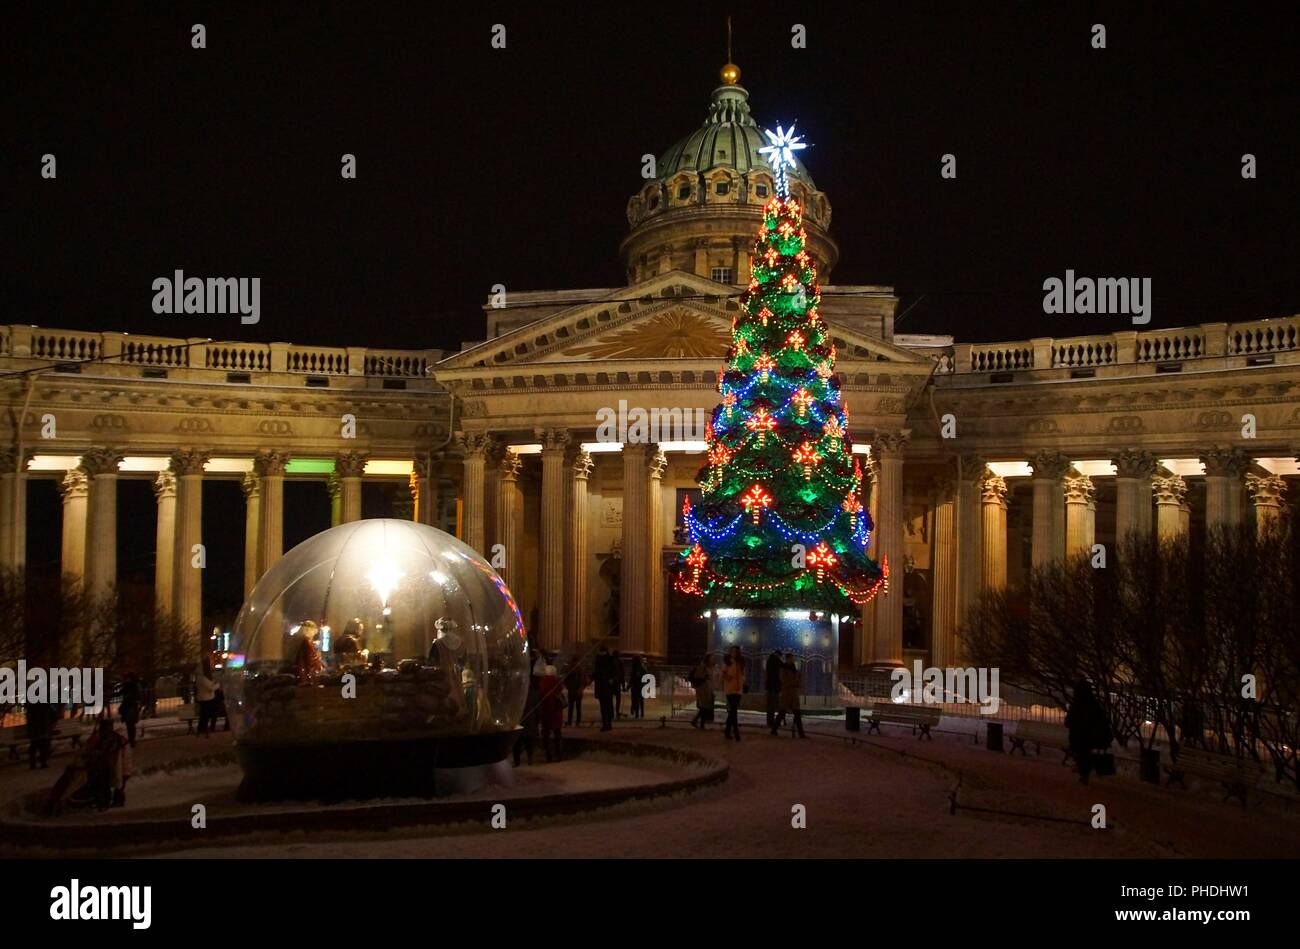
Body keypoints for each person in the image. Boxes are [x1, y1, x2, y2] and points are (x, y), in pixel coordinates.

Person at [1065, 679, 1113, 784]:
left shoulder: (1077, 704)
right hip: (1089, 735)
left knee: (1082, 753)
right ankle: (1085, 771)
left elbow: (1069, 721)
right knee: (1084, 753)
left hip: (1079, 735)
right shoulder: (1093, 703)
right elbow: (1100, 719)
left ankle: (1084, 772)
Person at [537, 664, 566, 762]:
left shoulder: (542, 683)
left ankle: (548, 756)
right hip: (556, 713)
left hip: (546, 713)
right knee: (557, 734)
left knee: (546, 736)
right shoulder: (557, 682)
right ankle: (559, 755)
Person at [776, 653, 807, 738]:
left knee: (797, 713)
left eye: (793, 658)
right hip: (787, 692)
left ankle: (801, 733)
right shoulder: (784, 668)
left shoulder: (793, 668)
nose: (793, 660)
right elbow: (783, 680)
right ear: (787, 659)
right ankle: (774, 729)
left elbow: (796, 678)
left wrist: (797, 681)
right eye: (791, 658)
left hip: (794, 692)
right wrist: (793, 681)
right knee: (782, 711)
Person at [593, 644, 617, 731]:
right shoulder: (603, 660)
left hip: (604, 687)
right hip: (604, 687)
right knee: (606, 706)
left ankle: (606, 724)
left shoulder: (603, 660)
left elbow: (614, 673)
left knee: (605, 707)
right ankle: (606, 724)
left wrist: (612, 679)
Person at [25, 700, 56, 769]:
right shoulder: (45, 703)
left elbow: (28, 716)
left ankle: (33, 764)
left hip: (35, 729)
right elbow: (53, 714)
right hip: (43, 728)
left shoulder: (31, 704)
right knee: (42, 746)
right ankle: (43, 763)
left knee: (34, 746)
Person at [722, 652, 744, 741]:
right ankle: (736, 732)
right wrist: (729, 678)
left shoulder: (740, 663)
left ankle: (727, 731)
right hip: (730, 690)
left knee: (732, 711)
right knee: (734, 711)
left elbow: (741, 675)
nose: (734, 653)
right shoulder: (727, 662)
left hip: (738, 690)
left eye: (736, 651)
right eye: (733, 651)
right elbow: (723, 674)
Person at [689, 654, 715, 729]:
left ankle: (700, 723)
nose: (713, 659)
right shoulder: (703, 666)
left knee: (705, 706)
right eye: (712, 658)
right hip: (702, 688)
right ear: (708, 659)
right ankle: (697, 721)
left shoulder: (709, 666)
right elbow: (698, 676)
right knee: (704, 706)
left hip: (707, 688)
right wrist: (705, 676)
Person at [195, 658, 218, 737]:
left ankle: (201, 731)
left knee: (203, 716)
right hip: (207, 698)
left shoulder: (200, 677)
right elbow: (211, 688)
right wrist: (217, 685)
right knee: (205, 716)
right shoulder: (203, 678)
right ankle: (204, 730)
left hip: (203, 698)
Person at [117, 672, 141, 747]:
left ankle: (131, 740)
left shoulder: (129, 685)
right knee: (131, 725)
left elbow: (121, 693)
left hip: (129, 707)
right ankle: (131, 740)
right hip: (131, 707)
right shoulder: (134, 685)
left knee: (130, 725)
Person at [765, 650, 784, 732]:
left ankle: (769, 721)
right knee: (773, 704)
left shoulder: (769, 660)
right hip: (774, 686)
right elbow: (783, 666)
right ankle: (771, 722)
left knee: (770, 705)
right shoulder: (776, 660)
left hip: (770, 686)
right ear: (778, 655)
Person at [564, 659, 586, 726]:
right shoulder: (579, 670)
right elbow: (583, 681)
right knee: (575, 707)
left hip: (574, 690)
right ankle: (576, 721)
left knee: (573, 707)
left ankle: (572, 721)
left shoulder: (572, 670)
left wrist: (568, 687)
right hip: (574, 690)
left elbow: (566, 680)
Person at [629, 655, 647, 719]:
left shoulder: (634, 669)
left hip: (635, 686)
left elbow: (631, 678)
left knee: (635, 699)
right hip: (641, 686)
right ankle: (642, 713)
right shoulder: (642, 668)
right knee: (641, 700)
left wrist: (628, 686)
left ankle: (636, 713)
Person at [612, 650, 626, 719]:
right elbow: (622, 675)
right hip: (617, 683)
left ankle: (611, 712)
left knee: (610, 698)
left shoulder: (610, 662)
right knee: (618, 698)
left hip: (611, 683)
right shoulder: (620, 662)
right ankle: (617, 712)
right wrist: (623, 686)